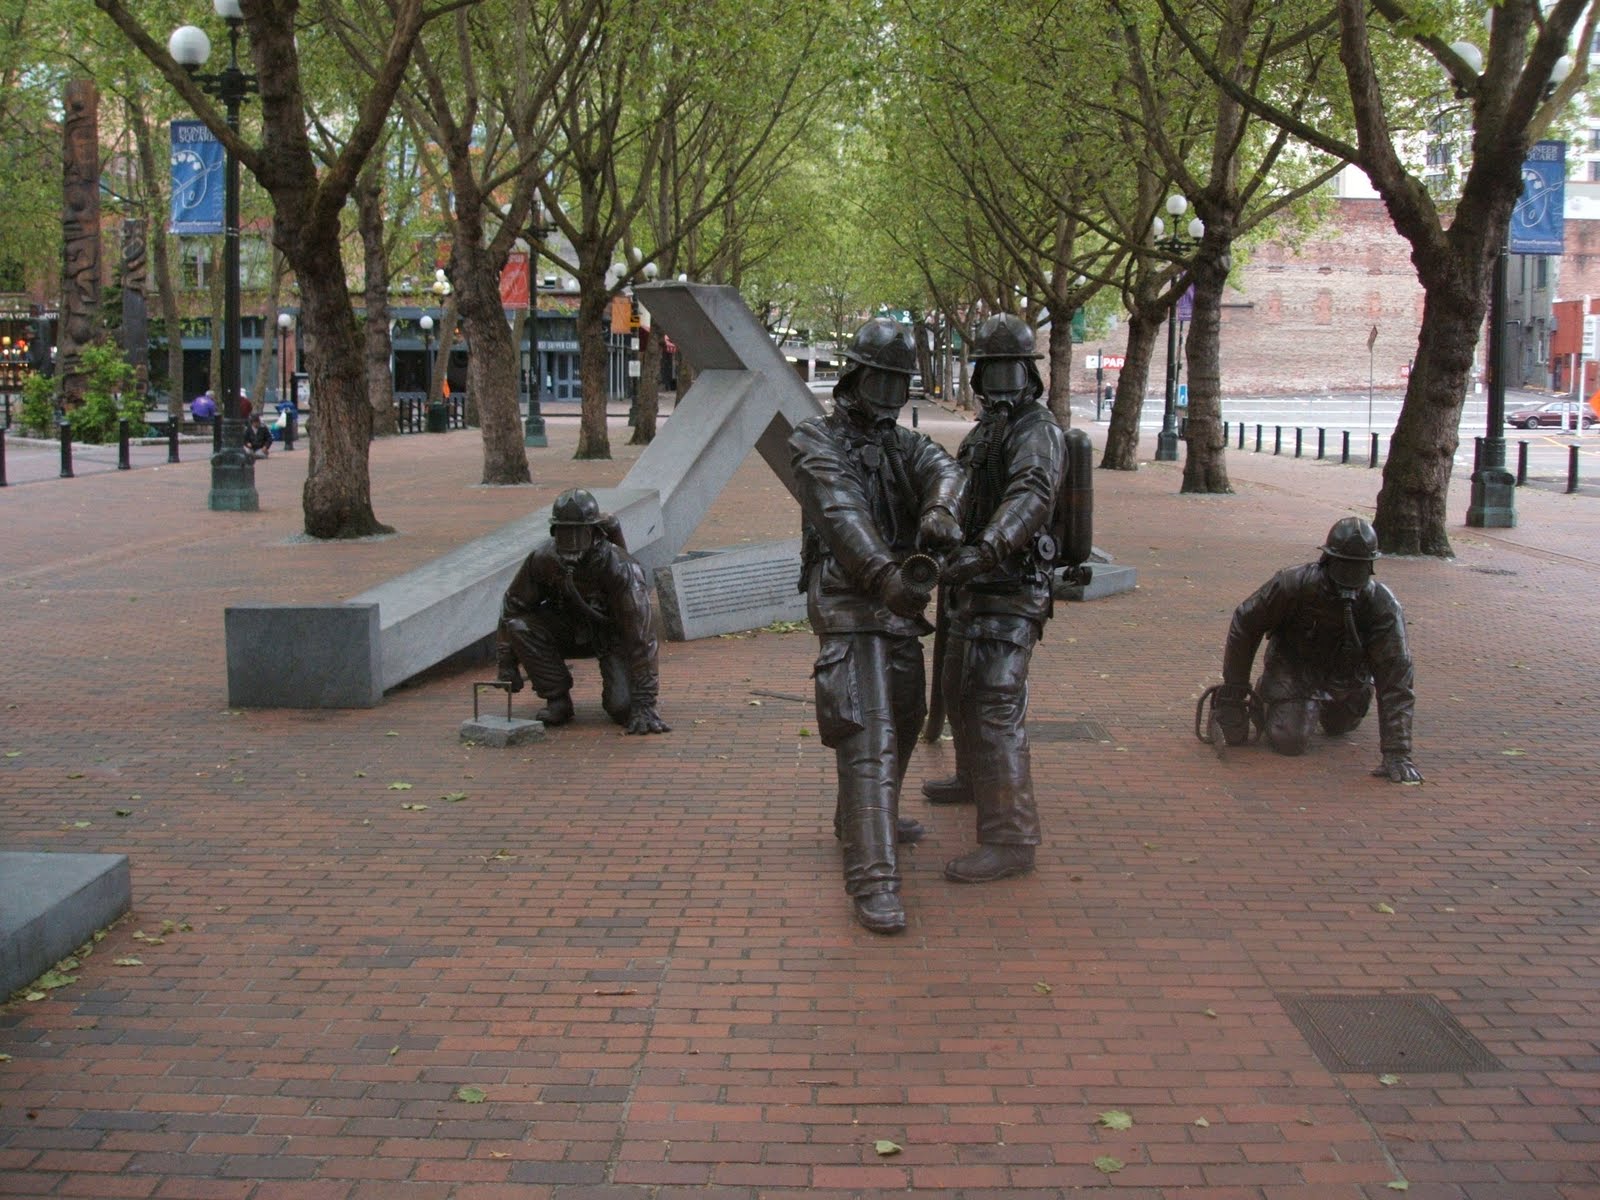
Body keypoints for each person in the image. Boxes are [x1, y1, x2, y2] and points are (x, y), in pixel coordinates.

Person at [790, 317, 965, 935]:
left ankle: (861, 819)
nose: (890, 396)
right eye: (880, 382)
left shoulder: (903, 443)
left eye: (899, 384)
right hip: (848, 597)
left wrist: (942, 505)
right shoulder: (814, 439)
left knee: (908, 712)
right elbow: (841, 514)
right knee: (869, 731)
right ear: (855, 378)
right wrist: (885, 577)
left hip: (896, 604)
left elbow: (944, 465)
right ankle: (873, 878)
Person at [920, 313, 1065, 884]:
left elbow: (1030, 496)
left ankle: (1011, 837)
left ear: (1029, 376)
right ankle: (971, 779)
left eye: (1010, 371)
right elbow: (955, 485)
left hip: (1012, 585)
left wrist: (988, 550)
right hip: (971, 583)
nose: (999, 383)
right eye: (991, 371)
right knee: (958, 686)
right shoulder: (984, 432)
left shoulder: (1038, 431)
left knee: (994, 702)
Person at [1211, 516, 1421, 783]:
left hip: (1347, 676)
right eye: (1344, 566)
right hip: (1294, 670)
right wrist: (1235, 689)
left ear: (1370, 567)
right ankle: (1270, 694)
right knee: (1290, 741)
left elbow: (1397, 674)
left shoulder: (1382, 605)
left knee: (1340, 726)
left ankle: (1335, 703)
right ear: (1327, 560)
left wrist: (1397, 751)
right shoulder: (1292, 584)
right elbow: (1245, 621)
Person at [496, 488, 669, 735]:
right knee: (520, 627)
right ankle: (557, 699)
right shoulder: (543, 559)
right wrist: (506, 662)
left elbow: (643, 638)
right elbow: (513, 607)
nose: (571, 541)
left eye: (578, 533)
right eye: (564, 533)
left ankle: (632, 699)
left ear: (595, 533)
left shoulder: (621, 568)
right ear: (554, 532)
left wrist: (645, 702)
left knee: (623, 708)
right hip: (568, 629)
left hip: (612, 636)